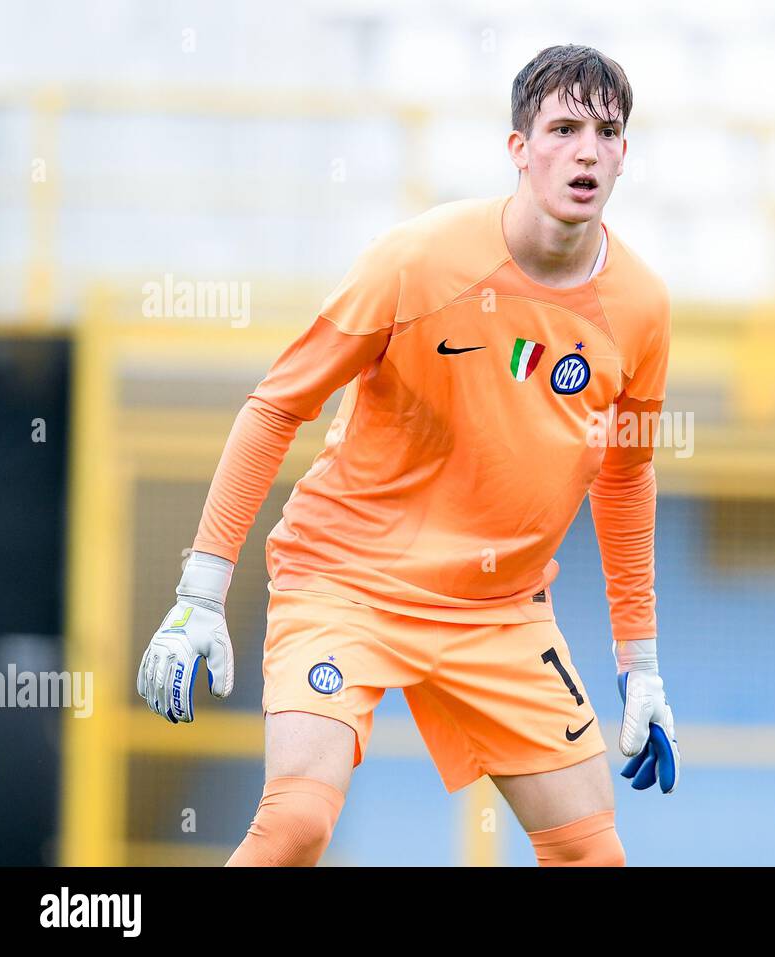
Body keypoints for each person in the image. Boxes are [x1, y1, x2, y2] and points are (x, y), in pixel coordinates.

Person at [134, 43, 678, 867]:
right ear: (519, 150)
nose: (586, 150)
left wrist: (641, 665)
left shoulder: (640, 306)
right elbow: (276, 405)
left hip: (499, 609)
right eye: (562, 128)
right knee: (296, 824)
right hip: (347, 578)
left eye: (605, 133)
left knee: (592, 854)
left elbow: (627, 477)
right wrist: (198, 593)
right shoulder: (417, 260)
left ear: (624, 155)